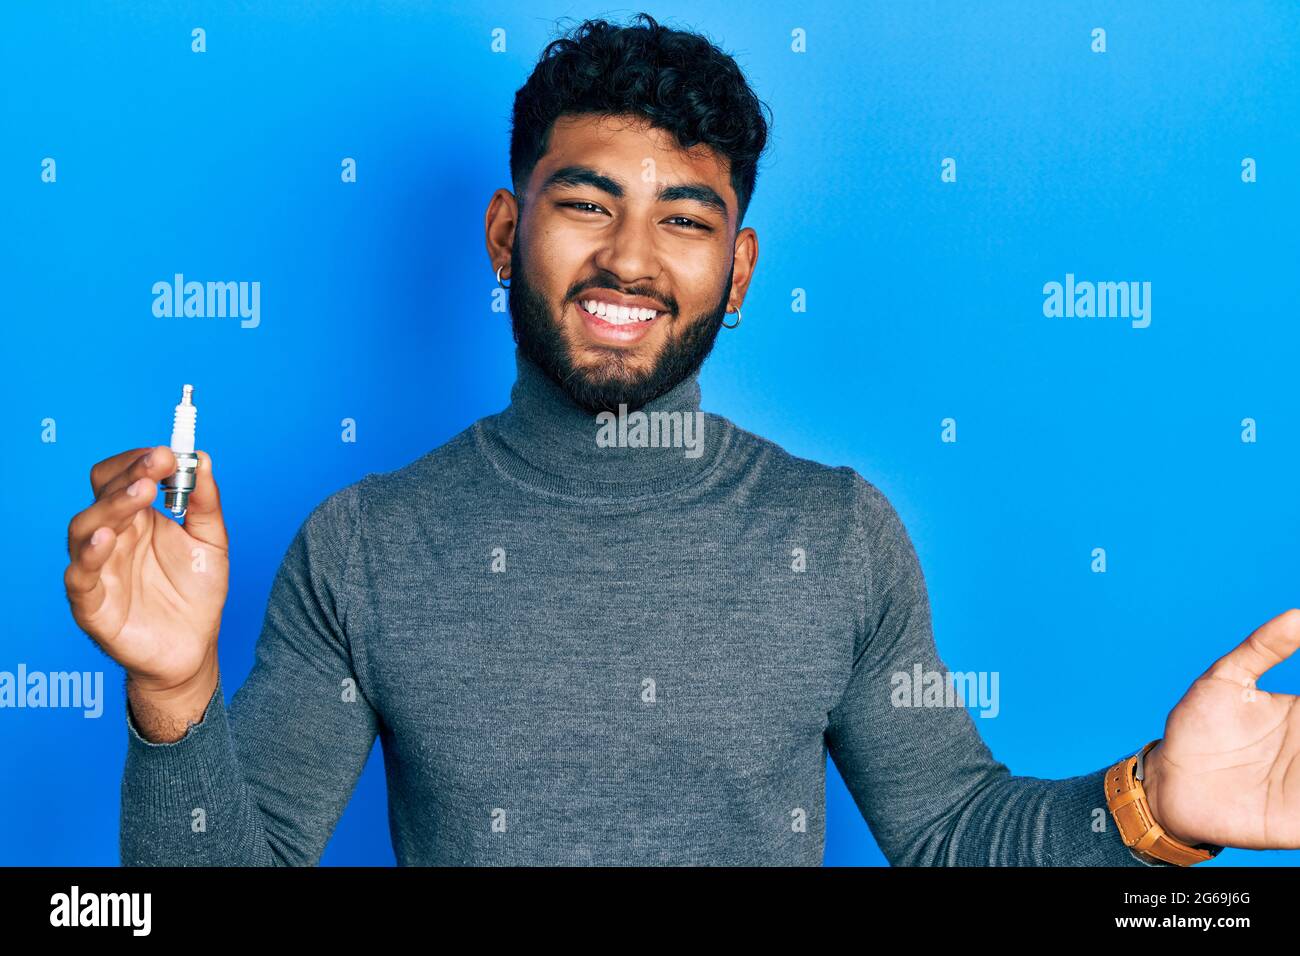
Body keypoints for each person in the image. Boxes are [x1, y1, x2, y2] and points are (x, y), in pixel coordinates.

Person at [65, 12, 1299, 867]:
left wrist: (1156, 805)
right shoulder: (362, 545)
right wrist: (172, 692)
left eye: (684, 220)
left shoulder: (837, 532)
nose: (629, 260)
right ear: (504, 233)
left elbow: (950, 832)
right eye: (585, 203)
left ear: (738, 269)